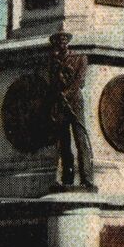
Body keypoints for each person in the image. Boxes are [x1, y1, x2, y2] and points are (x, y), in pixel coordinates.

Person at [47, 31, 96, 190]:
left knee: (81, 139)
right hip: (60, 103)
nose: (61, 43)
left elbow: (79, 81)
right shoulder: (53, 61)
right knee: (63, 141)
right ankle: (67, 177)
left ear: (68, 42)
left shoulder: (79, 58)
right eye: (58, 41)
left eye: (63, 40)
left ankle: (87, 177)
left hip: (74, 102)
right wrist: (58, 96)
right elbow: (52, 81)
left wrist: (67, 94)